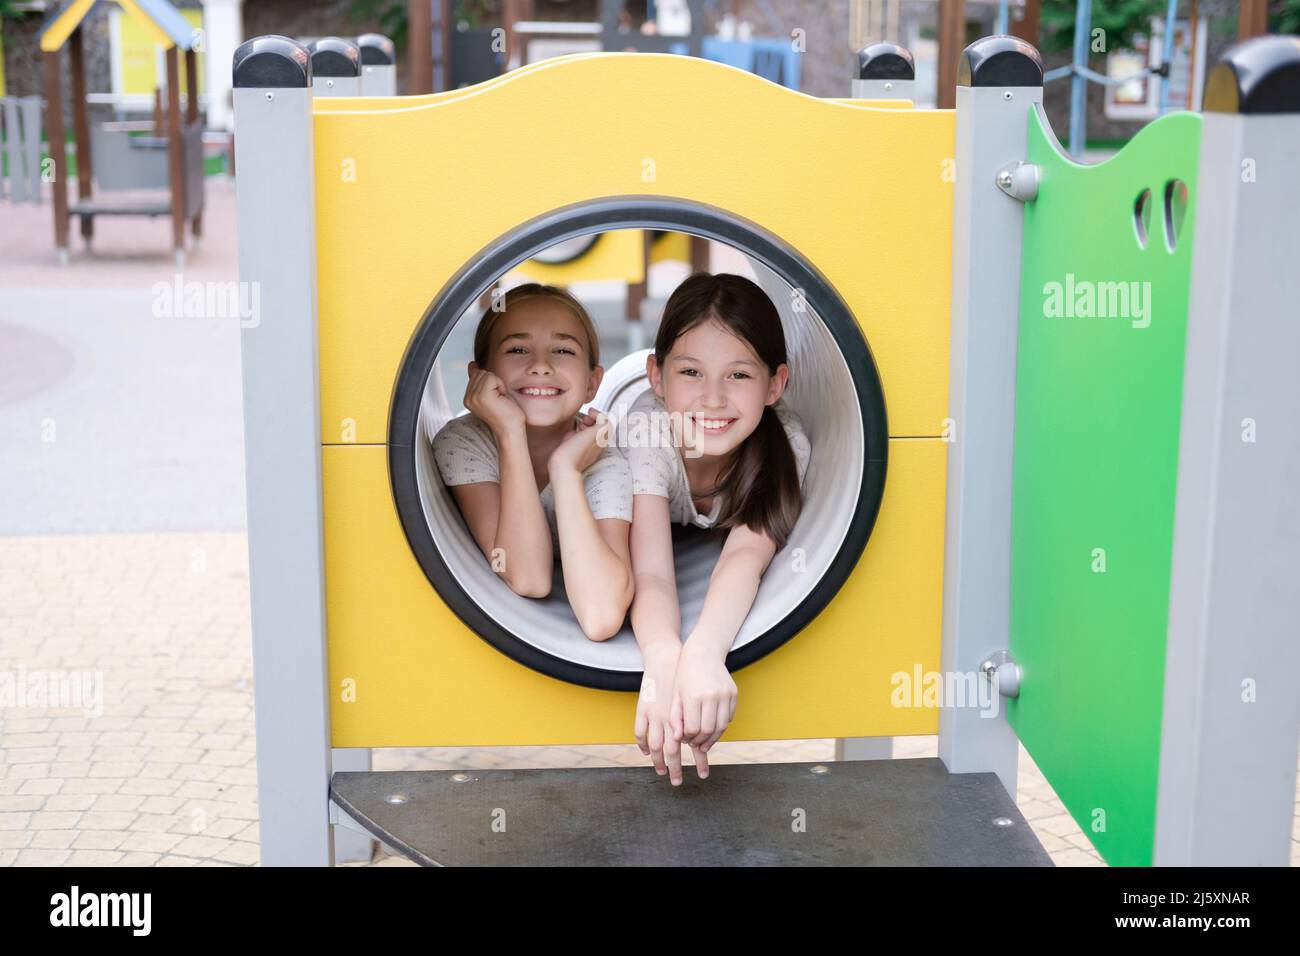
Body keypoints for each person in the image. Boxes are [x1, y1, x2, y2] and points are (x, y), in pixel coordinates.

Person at [625, 272, 810, 785]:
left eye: (738, 376)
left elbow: (743, 558)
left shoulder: (785, 445)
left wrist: (706, 654)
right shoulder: (648, 431)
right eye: (690, 372)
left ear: (776, 384)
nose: (712, 399)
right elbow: (652, 571)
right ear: (657, 377)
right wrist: (663, 660)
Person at [431, 283, 633, 641]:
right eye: (518, 349)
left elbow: (601, 615)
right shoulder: (464, 442)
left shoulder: (601, 457)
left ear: (592, 383)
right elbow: (528, 577)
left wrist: (565, 470)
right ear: (479, 376)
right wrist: (510, 431)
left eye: (562, 350)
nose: (540, 365)